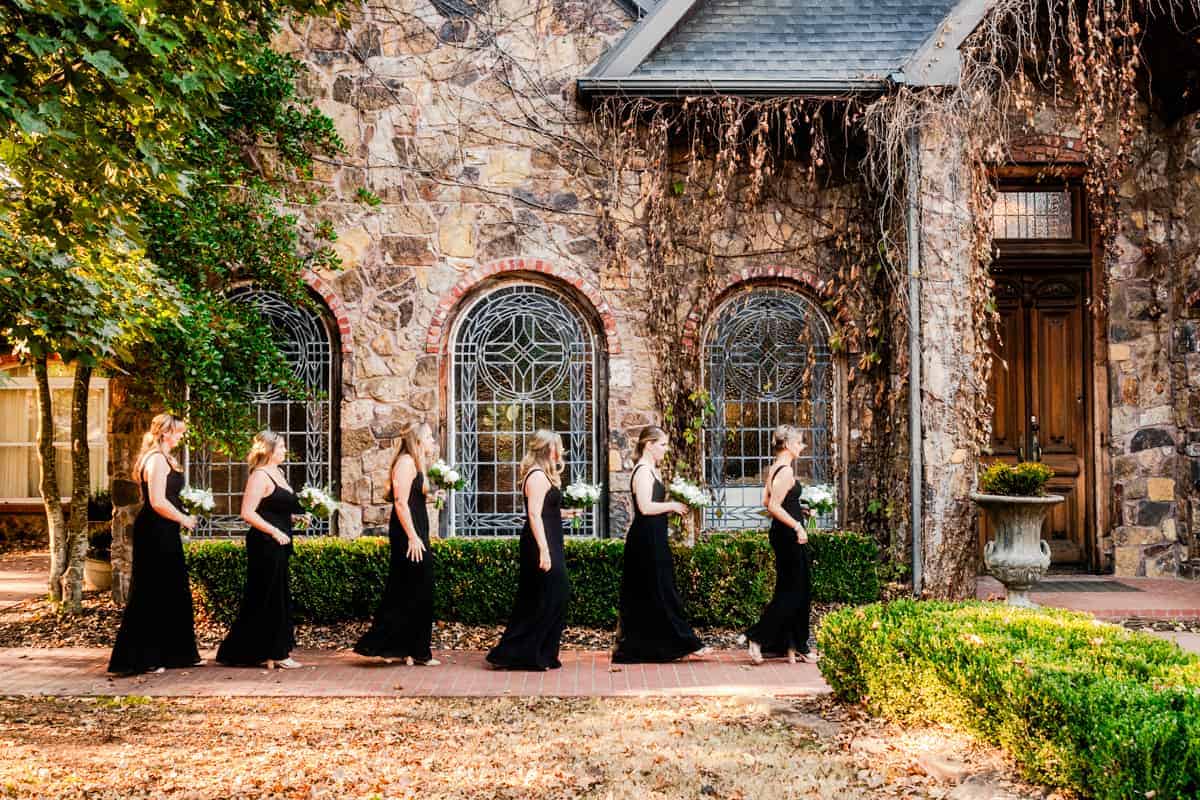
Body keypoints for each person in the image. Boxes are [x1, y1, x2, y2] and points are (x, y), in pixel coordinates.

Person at [108, 413, 202, 675]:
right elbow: (158, 501)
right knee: (151, 589)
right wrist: (184, 518)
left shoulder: (163, 458)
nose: (182, 437)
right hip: (155, 530)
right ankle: (140, 657)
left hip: (163, 529)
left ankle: (175, 652)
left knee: (172, 588)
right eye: (179, 432)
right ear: (165, 433)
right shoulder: (157, 460)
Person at [612, 426, 705, 663]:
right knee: (658, 590)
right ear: (649, 445)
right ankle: (684, 642)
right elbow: (645, 507)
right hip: (645, 539)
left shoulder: (652, 470)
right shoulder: (642, 472)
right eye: (662, 444)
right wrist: (672, 506)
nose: (666, 449)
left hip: (654, 536)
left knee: (659, 589)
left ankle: (666, 644)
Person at [216, 431, 306, 670]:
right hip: (265, 544)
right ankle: (276, 653)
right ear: (269, 450)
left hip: (282, 543)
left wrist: (295, 518)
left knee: (276, 595)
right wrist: (274, 532)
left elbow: (274, 508)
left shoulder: (279, 473)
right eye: (282, 447)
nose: (285, 451)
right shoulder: (259, 476)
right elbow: (248, 512)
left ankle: (260, 650)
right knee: (268, 596)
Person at [486, 430, 575, 670]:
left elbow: (546, 510)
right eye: (558, 446)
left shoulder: (546, 475)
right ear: (547, 449)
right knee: (548, 594)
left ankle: (542, 652)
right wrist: (544, 550)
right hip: (539, 542)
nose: (561, 451)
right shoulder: (536, 476)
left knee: (549, 595)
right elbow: (534, 515)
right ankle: (520, 653)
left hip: (550, 539)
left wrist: (567, 513)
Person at [354, 422, 442, 665]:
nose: (432, 441)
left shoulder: (416, 462)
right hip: (407, 533)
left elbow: (414, 497)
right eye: (429, 437)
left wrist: (434, 496)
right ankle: (413, 650)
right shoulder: (405, 462)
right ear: (417, 440)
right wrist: (413, 537)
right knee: (415, 587)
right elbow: (400, 503)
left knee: (413, 588)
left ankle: (405, 648)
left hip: (417, 529)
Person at [743, 425, 815, 665]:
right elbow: (773, 506)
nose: (802, 446)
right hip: (788, 535)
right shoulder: (784, 471)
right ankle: (757, 636)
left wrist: (799, 507)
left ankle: (793, 644)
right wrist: (797, 525)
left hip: (782, 534)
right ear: (787, 445)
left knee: (793, 588)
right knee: (795, 590)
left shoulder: (775, 467)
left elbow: (767, 500)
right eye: (799, 442)